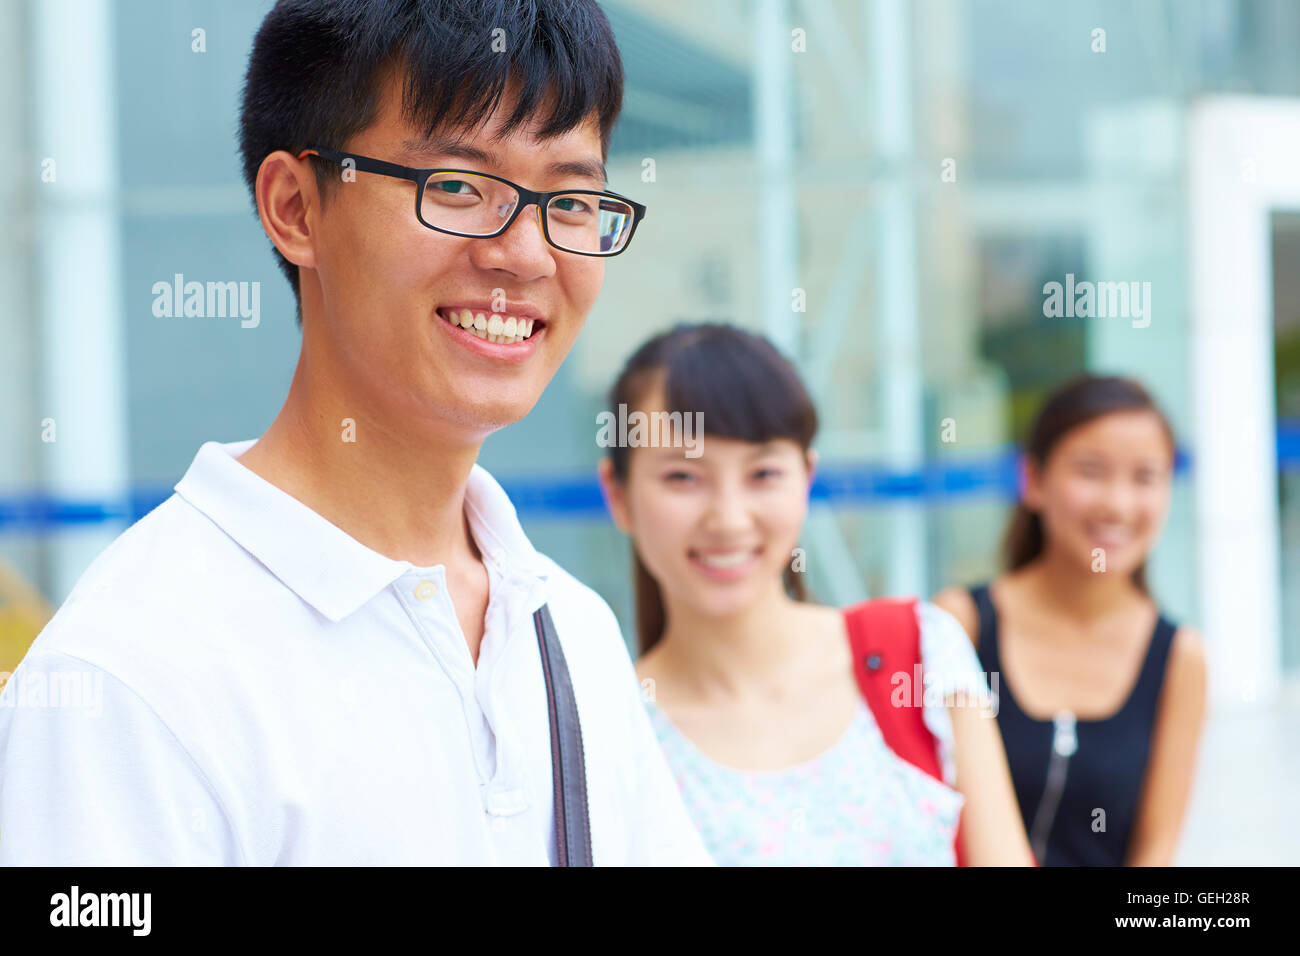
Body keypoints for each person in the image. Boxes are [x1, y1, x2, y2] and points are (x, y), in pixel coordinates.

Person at [0, 0, 711, 866]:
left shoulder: (568, 628)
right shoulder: (134, 674)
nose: (525, 255)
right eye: (456, 186)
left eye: (570, 199)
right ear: (296, 208)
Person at [596, 323, 1035, 865]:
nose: (728, 519)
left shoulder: (920, 653)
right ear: (617, 494)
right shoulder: (608, 736)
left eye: (762, 473)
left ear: (806, 478)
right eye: (684, 478)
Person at [933, 375, 1208, 866]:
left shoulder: (1178, 657)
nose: (1118, 504)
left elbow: (1156, 850)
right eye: (1091, 471)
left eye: (1145, 477)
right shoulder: (957, 625)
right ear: (1033, 480)